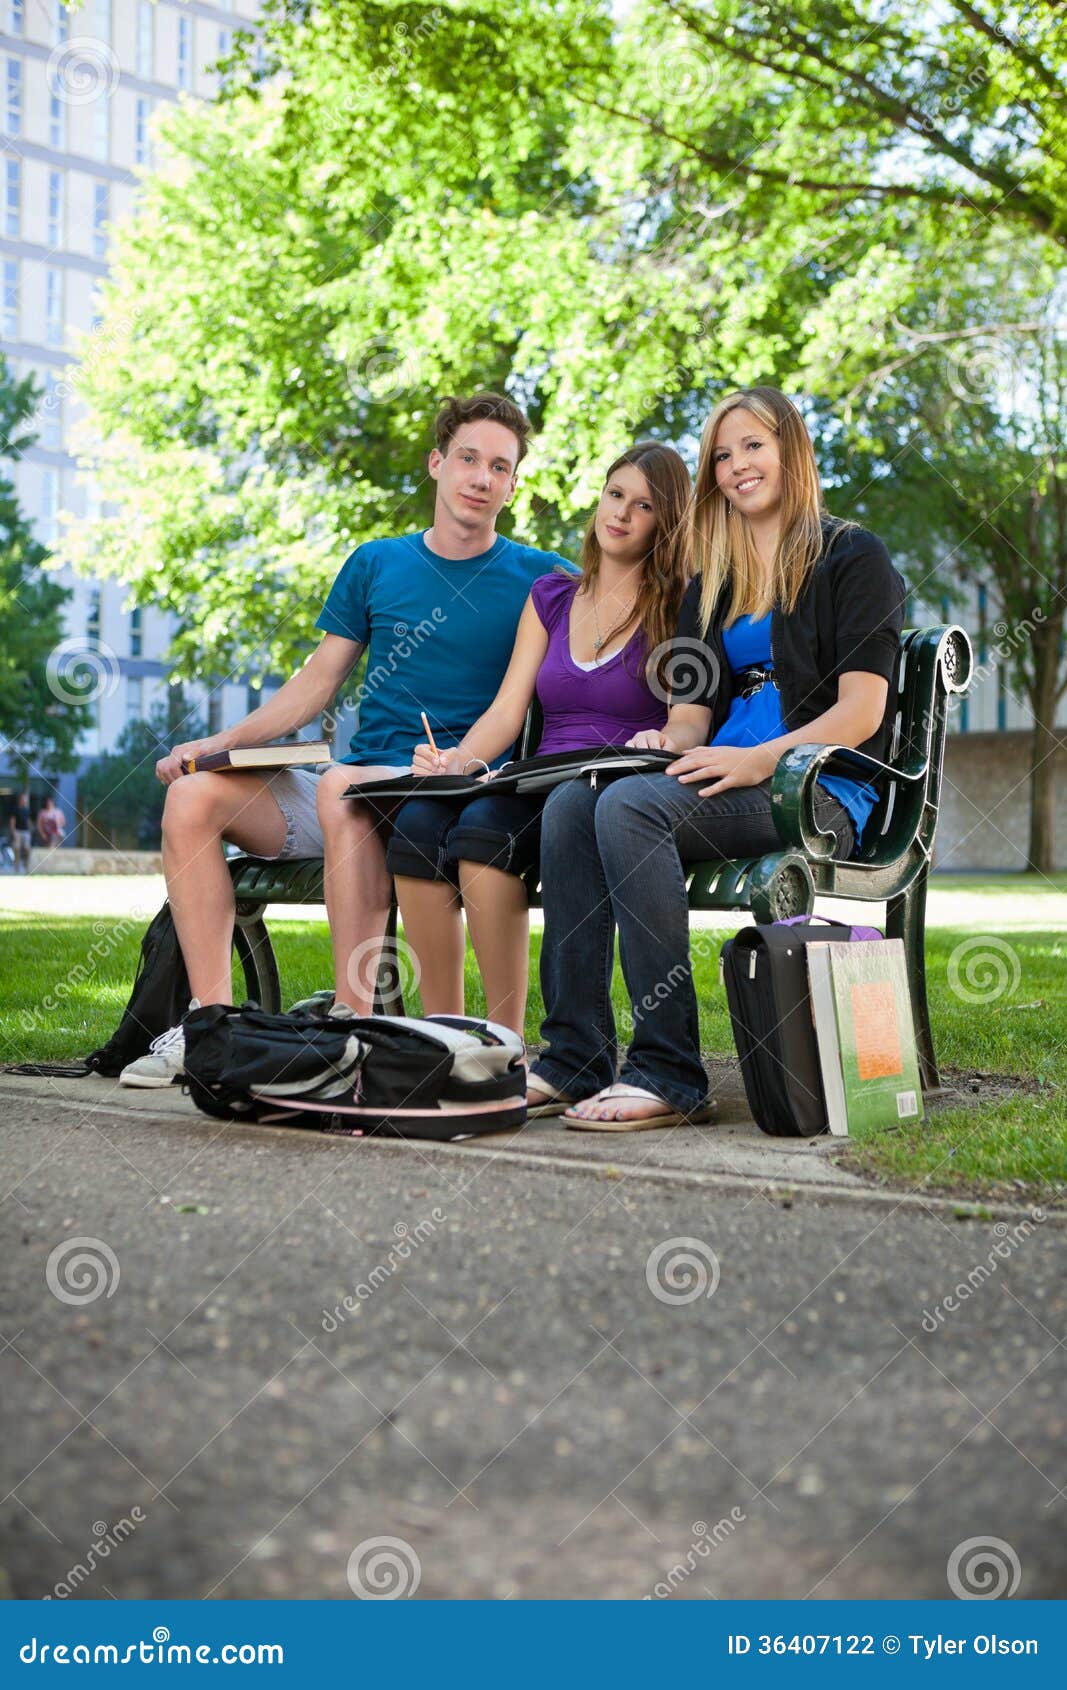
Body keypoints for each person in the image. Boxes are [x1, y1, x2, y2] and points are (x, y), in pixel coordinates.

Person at [120, 391, 573, 1088]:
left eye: (500, 467)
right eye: (468, 459)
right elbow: (317, 683)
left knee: (341, 788)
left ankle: (350, 1026)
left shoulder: (540, 577)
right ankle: (209, 1028)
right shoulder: (375, 563)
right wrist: (218, 743)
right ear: (436, 464)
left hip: (461, 791)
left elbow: (573, 680)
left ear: (514, 484)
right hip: (358, 780)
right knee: (193, 801)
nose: (482, 478)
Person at [529, 385, 906, 1130]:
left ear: (790, 449)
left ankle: (667, 1070)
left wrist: (761, 760)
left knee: (630, 811)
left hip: (816, 784)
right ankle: (573, 1056)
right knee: (575, 801)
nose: (736, 465)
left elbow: (861, 712)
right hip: (727, 772)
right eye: (721, 455)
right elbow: (692, 715)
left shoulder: (850, 556)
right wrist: (662, 743)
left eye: (752, 446)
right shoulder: (713, 579)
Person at [386, 443, 692, 1045]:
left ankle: (505, 1040)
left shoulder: (681, 604)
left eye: (644, 505)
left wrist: (666, 736)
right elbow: (507, 711)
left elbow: (690, 714)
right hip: (538, 777)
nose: (621, 514)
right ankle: (438, 1034)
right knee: (417, 824)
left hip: (609, 789)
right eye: (614, 495)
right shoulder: (551, 596)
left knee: (483, 835)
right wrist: (457, 761)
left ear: (668, 522)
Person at [10, 791, 32, 872]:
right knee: (17, 849)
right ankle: (17, 868)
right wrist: (13, 832)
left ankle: (26, 866)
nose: (24, 801)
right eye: (23, 799)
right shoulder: (15, 809)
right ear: (20, 800)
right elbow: (12, 821)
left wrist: (30, 831)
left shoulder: (27, 810)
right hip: (17, 831)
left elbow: (29, 821)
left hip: (26, 832)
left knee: (27, 849)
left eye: (25, 799)